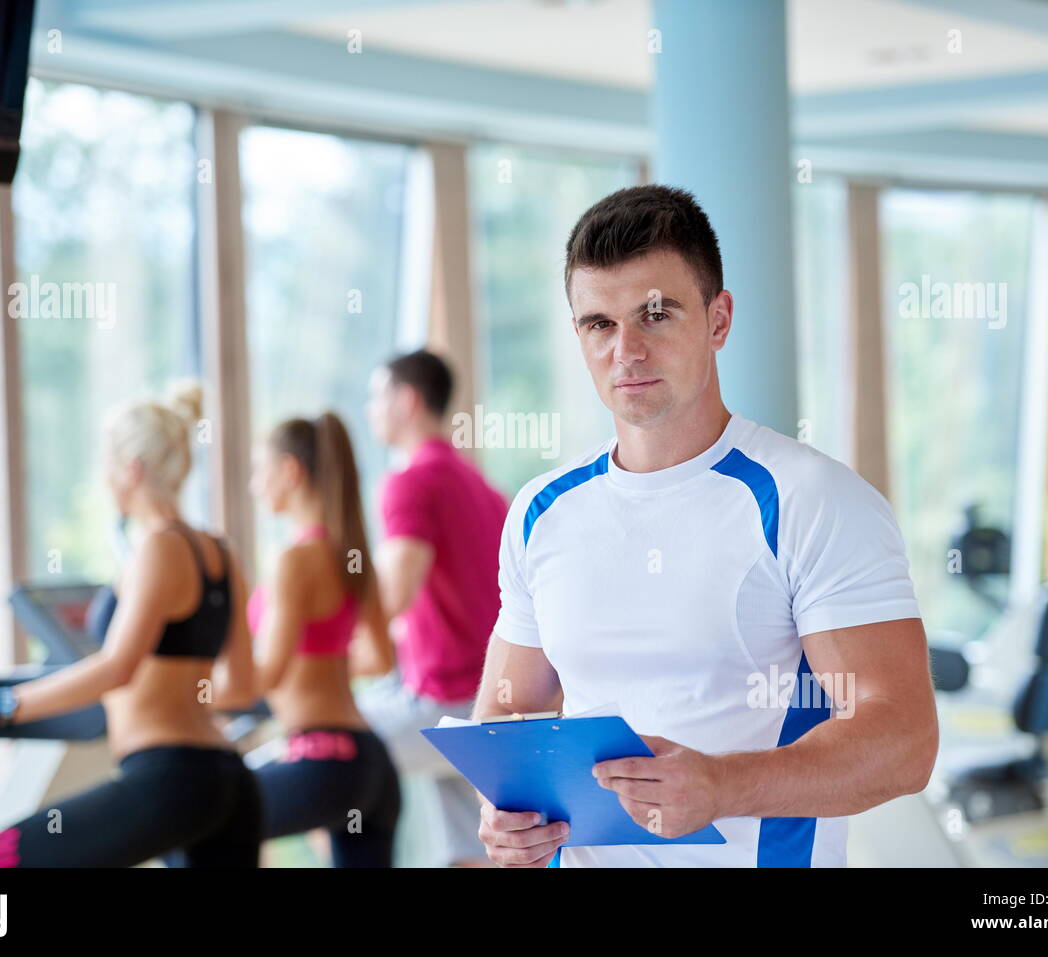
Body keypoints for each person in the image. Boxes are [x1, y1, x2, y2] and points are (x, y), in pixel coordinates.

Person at [474, 184, 940, 867]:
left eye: (655, 315)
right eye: (599, 323)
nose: (625, 350)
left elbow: (903, 740)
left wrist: (722, 785)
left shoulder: (810, 499)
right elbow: (509, 715)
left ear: (719, 320)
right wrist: (506, 814)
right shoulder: (543, 511)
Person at [0, 383, 263, 868]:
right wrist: (176, 691)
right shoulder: (223, 553)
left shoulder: (159, 549)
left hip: (171, 777)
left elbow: (117, 667)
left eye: (106, 464)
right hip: (227, 780)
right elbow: (242, 684)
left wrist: (5, 705)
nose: (103, 478)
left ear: (133, 469)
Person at [360, 349, 509, 867]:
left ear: (407, 400)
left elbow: (390, 596)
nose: (369, 410)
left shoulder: (410, 481)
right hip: (489, 699)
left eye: (376, 396)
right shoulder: (482, 487)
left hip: (445, 705)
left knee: (321, 746)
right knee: (470, 853)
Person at [245, 412, 401, 867]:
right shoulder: (351, 553)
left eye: (260, 469)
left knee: (194, 827)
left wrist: (194, 684)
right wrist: (317, 666)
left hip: (323, 758)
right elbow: (378, 657)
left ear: (290, 470)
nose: (255, 485)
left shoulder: (294, 559)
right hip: (369, 763)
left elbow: (267, 672)